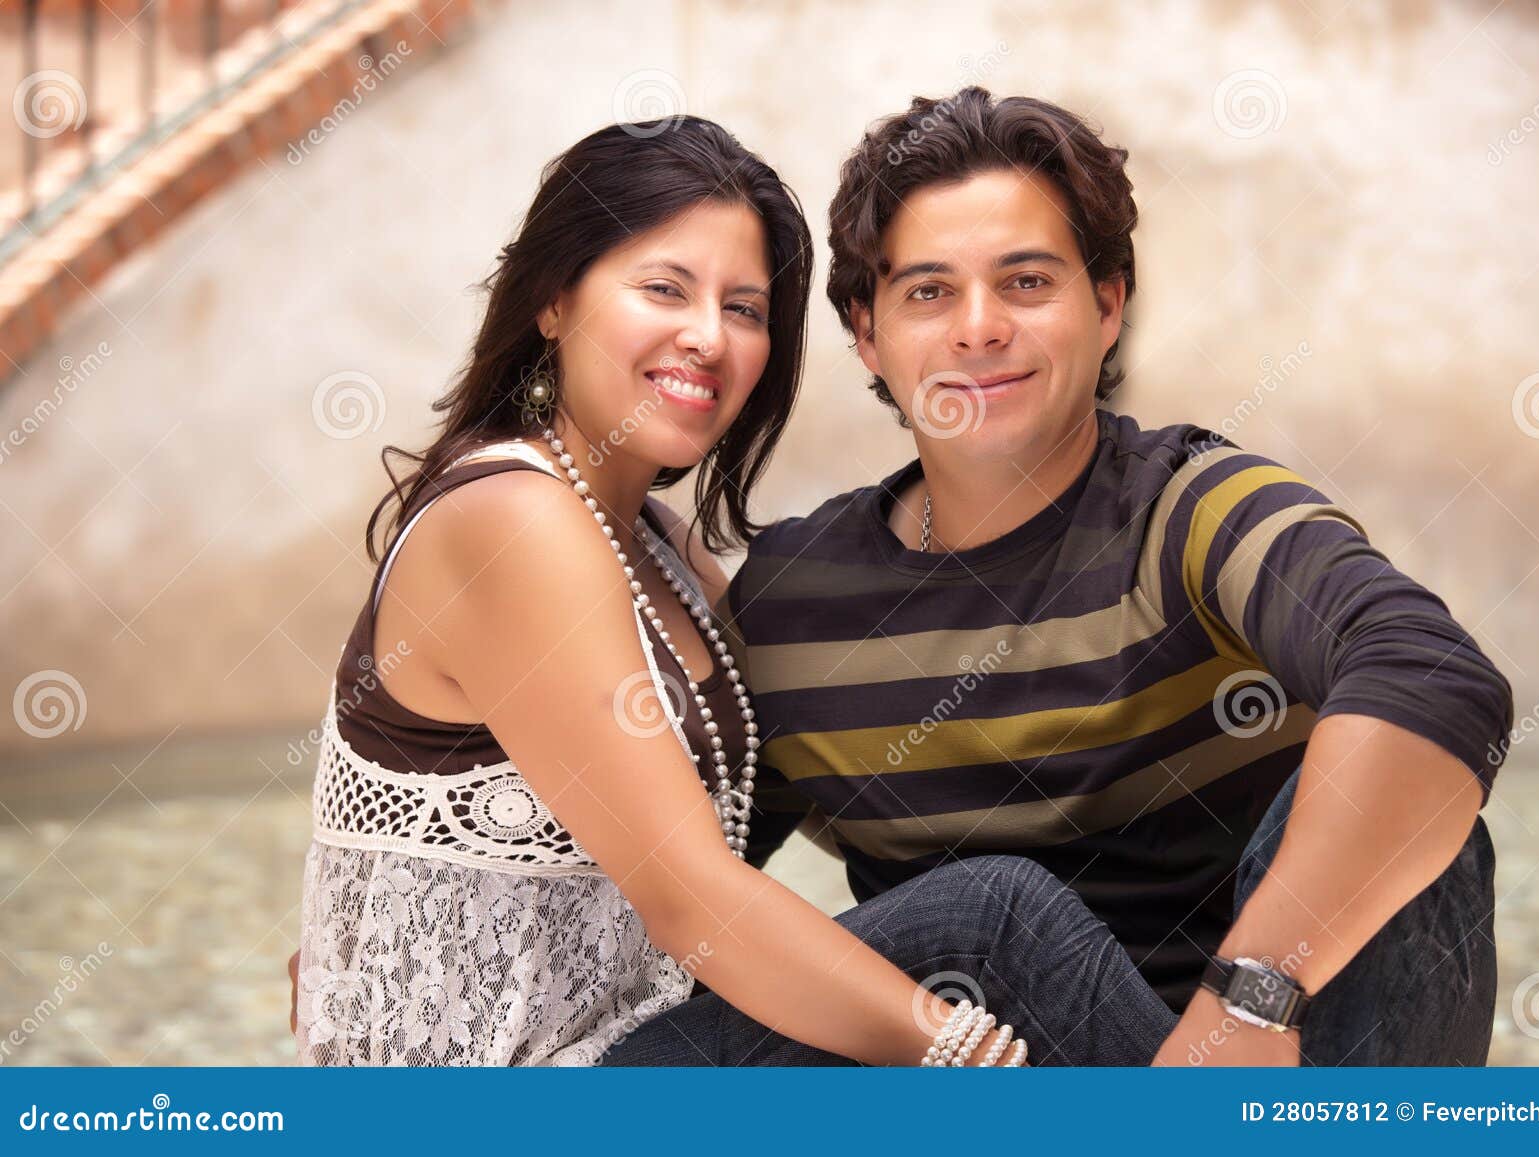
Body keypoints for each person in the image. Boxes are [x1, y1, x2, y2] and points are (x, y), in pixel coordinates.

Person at [599, 88, 1513, 1067]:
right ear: (866, 332)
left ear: (1106, 304)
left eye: (1026, 282)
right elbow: (694, 894)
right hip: (1011, 1081)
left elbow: (1432, 673)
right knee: (981, 920)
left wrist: (1249, 1000)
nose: (979, 328)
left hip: (1276, 1075)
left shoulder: (1193, 507)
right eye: (928, 291)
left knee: (1417, 794)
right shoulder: (793, 605)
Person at [291, 114, 1074, 1067]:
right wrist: (976, 1064)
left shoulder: (662, 550)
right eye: (665, 288)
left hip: (632, 1051)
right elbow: (692, 897)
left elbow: (781, 804)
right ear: (552, 299)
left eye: (744, 309)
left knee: (1007, 912)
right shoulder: (512, 520)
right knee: (989, 925)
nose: (707, 337)